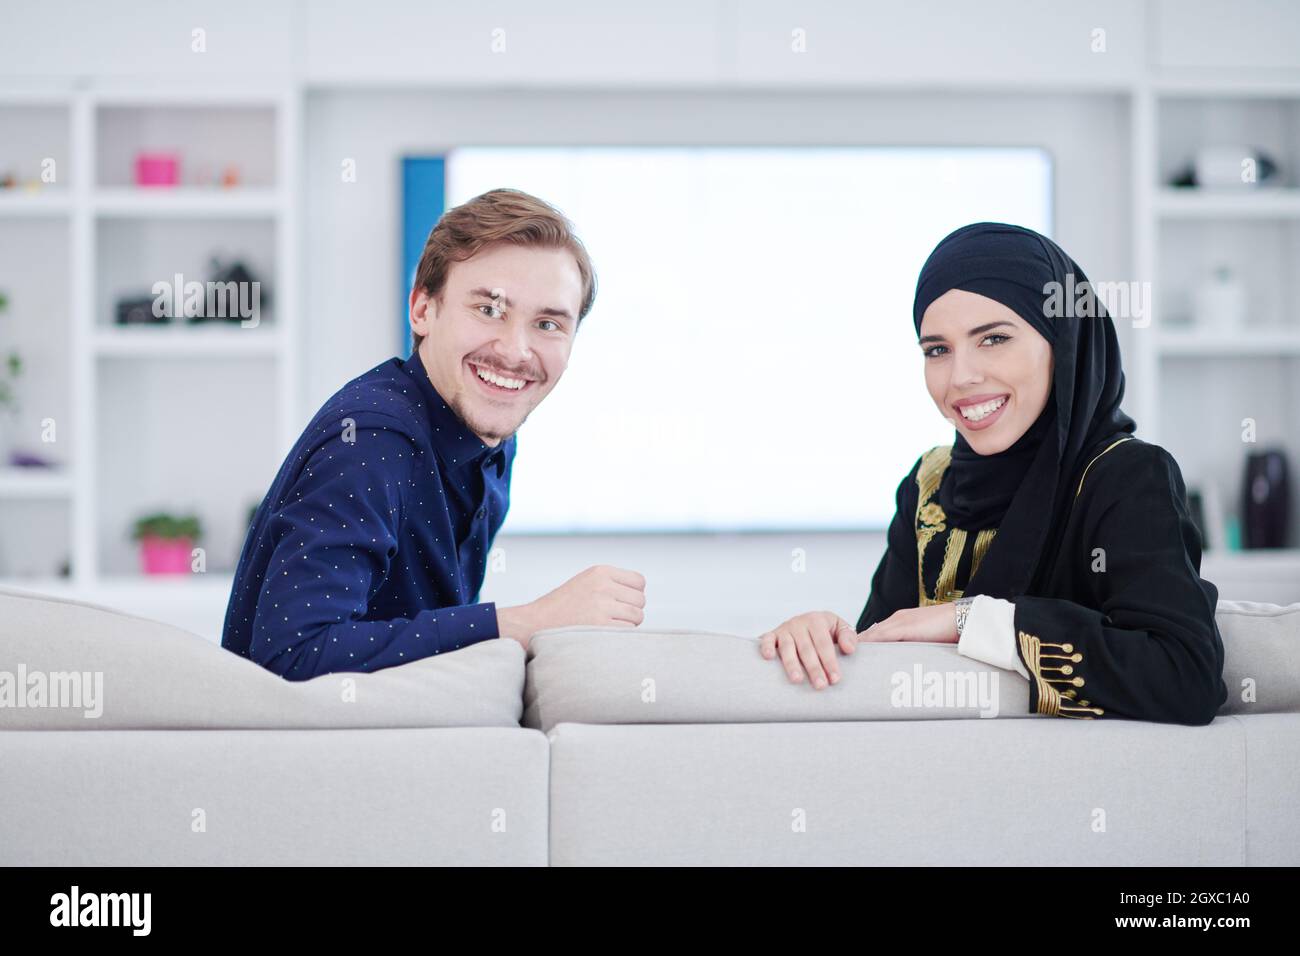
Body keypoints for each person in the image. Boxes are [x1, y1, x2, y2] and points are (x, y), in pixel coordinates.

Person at [758, 222, 1227, 724]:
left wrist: (971, 622)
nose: (961, 377)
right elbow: (884, 659)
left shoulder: (1125, 477)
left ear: (1062, 342)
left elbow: (1186, 676)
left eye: (994, 339)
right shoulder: (929, 483)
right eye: (937, 350)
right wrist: (824, 639)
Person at [223, 188, 646, 679]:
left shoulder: (488, 433)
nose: (515, 351)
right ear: (423, 310)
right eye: (489, 309)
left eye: (548, 323)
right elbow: (292, 655)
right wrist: (525, 623)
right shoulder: (372, 444)